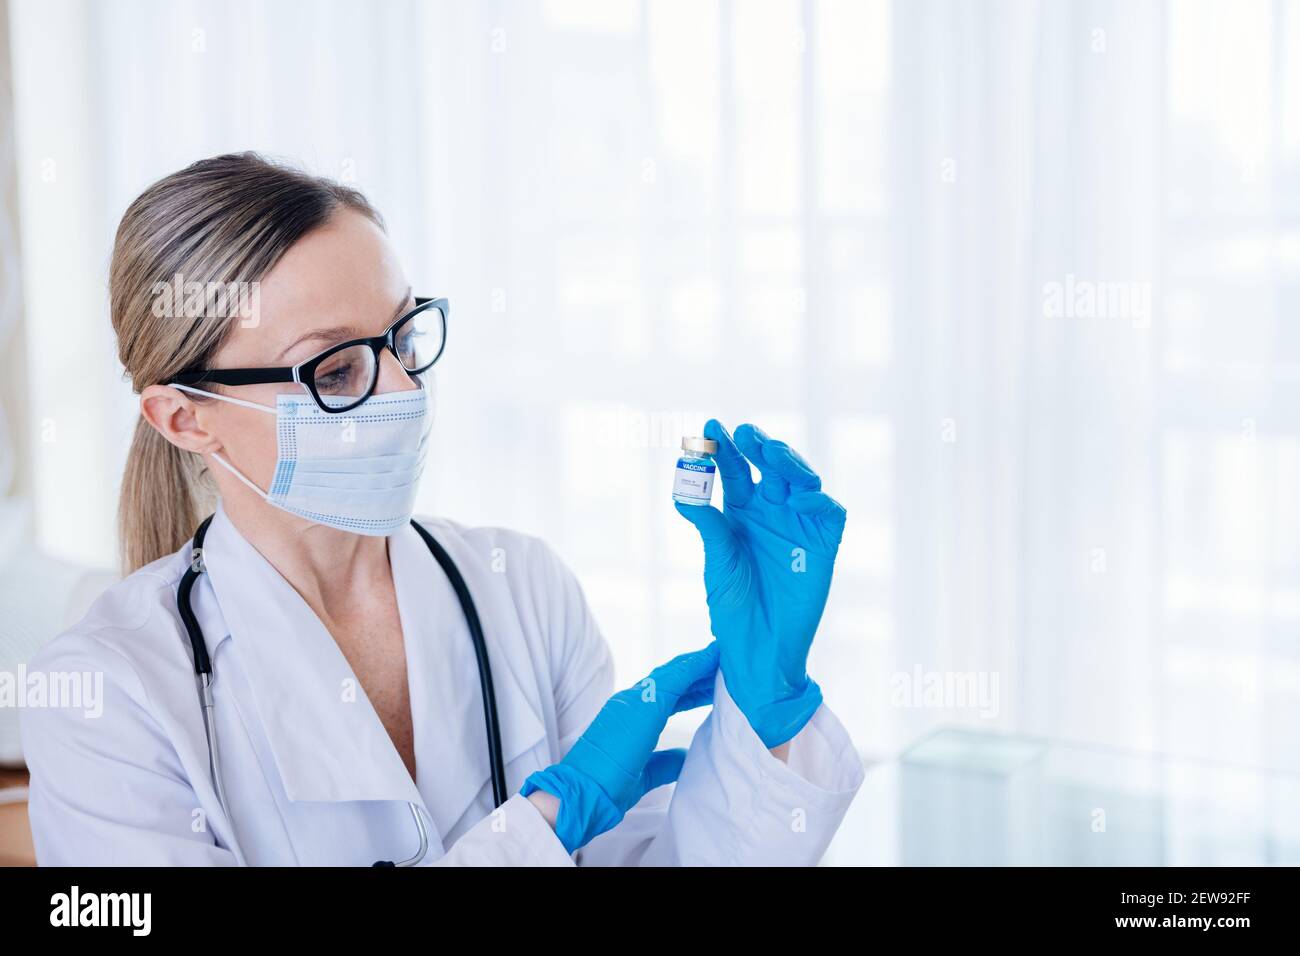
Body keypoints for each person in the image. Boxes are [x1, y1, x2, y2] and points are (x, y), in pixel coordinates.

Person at [20, 153, 863, 865]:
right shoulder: (104, 695)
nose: (403, 389)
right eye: (337, 370)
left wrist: (764, 716)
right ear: (185, 417)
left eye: (403, 336)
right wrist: (539, 828)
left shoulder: (522, 588)